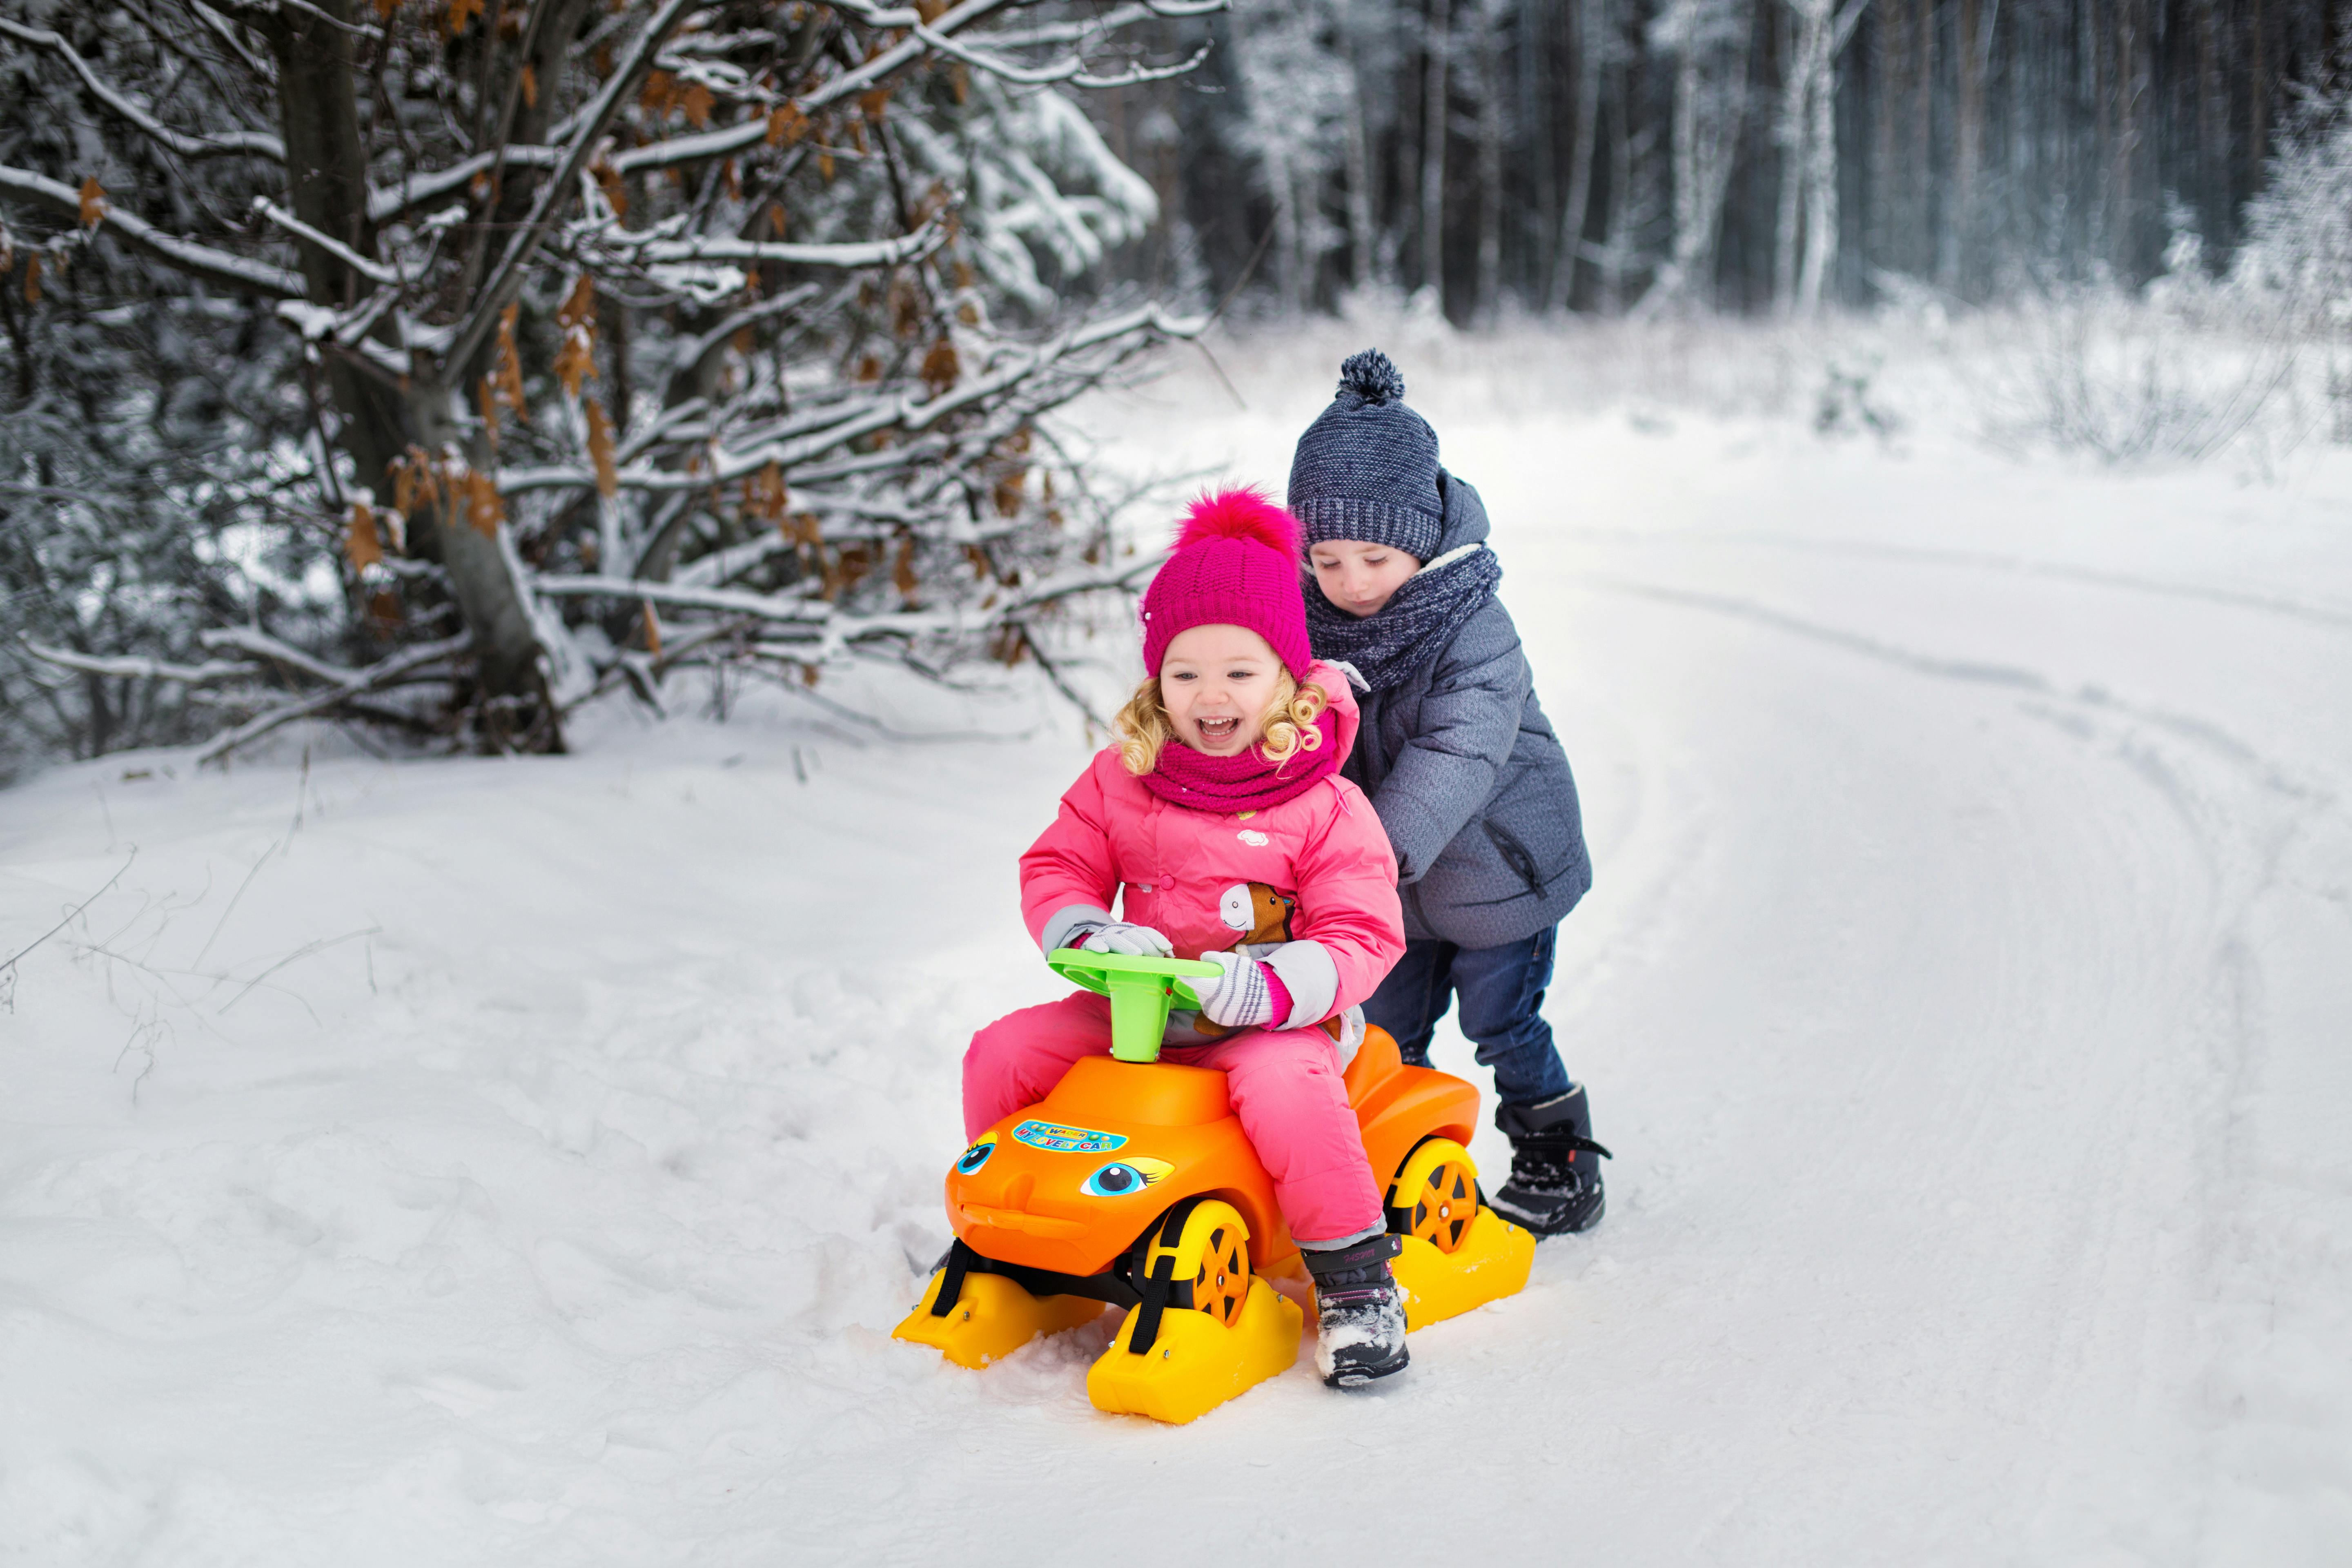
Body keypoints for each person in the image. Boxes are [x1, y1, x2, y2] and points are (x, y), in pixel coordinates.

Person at [963, 488, 1414, 1386]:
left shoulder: (1324, 803)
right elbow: (1058, 865)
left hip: (1276, 1022)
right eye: (1184, 673)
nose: (1211, 695)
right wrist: (1088, 930)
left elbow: (1364, 930)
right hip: (1143, 1011)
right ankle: (1012, 1237)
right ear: (1154, 682)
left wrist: (1274, 986)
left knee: (1286, 1089)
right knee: (1004, 1051)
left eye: (1240, 673)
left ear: (1287, 677)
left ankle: (1357, 1281)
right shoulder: (1123, 777)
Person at [1289, 349, 1613, 1236]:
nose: (1351, 582)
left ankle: (1558, 1157)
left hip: (1494, 869)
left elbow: (1459, 750)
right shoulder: (1307, 630)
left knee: (1501, 1022)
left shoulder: (1473, 623)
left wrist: (1364, 857)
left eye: (1374, 555)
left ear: (1421, 541)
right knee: (1386, 1035)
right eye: (1327, 558)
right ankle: (1401, 1172)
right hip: (1388, 885)